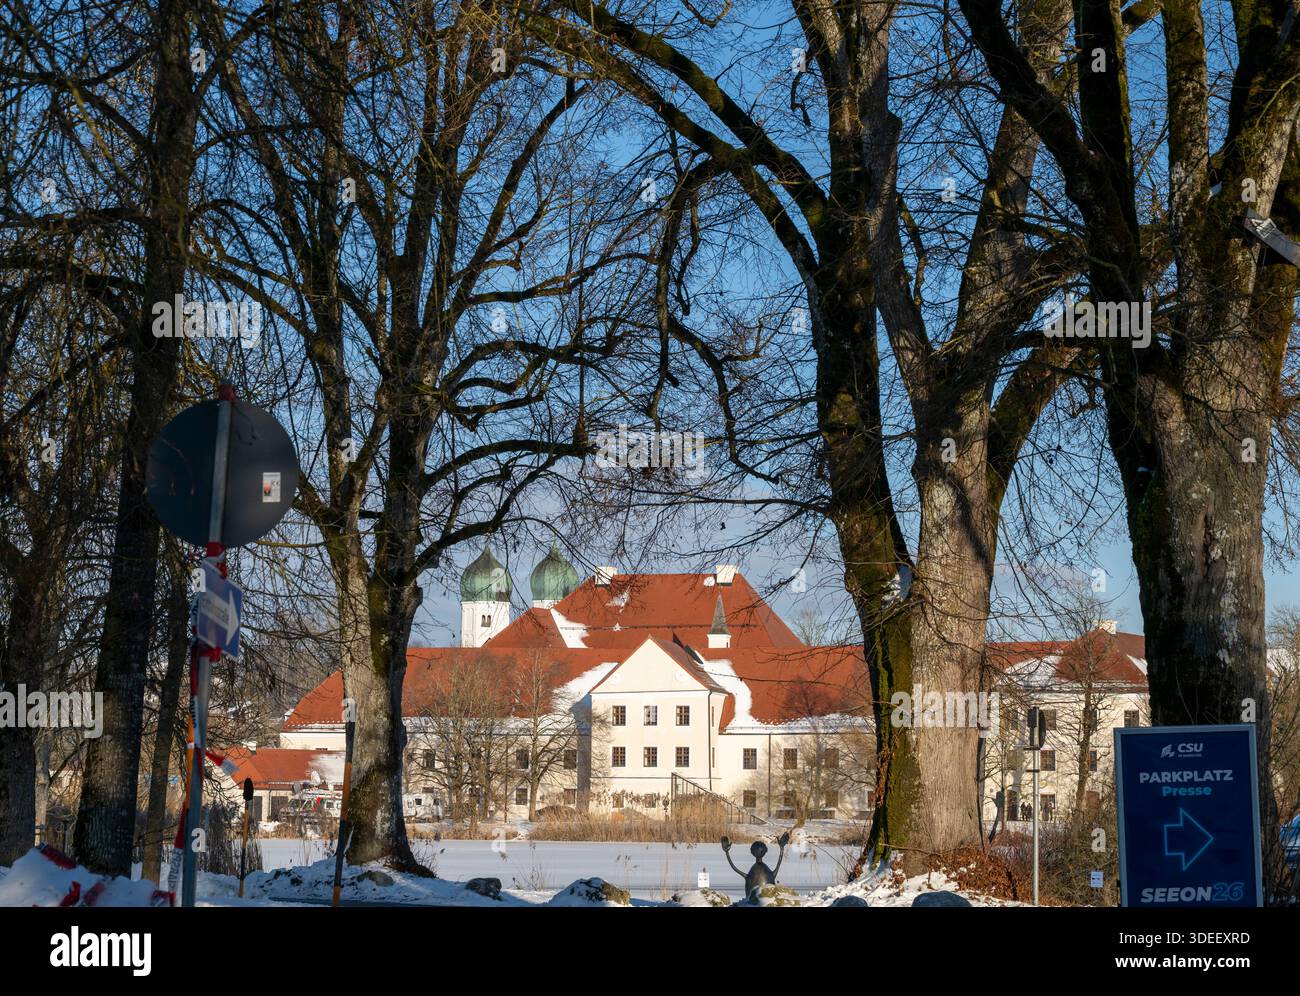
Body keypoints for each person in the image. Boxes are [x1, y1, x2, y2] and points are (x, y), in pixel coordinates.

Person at [721, 832, 791, 903]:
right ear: (765, 851)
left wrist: (727, 853)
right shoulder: (767, 873)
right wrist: (781, 848)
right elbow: (778, 865)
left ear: (751, 851)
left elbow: (734, 868)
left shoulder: (757, 873)